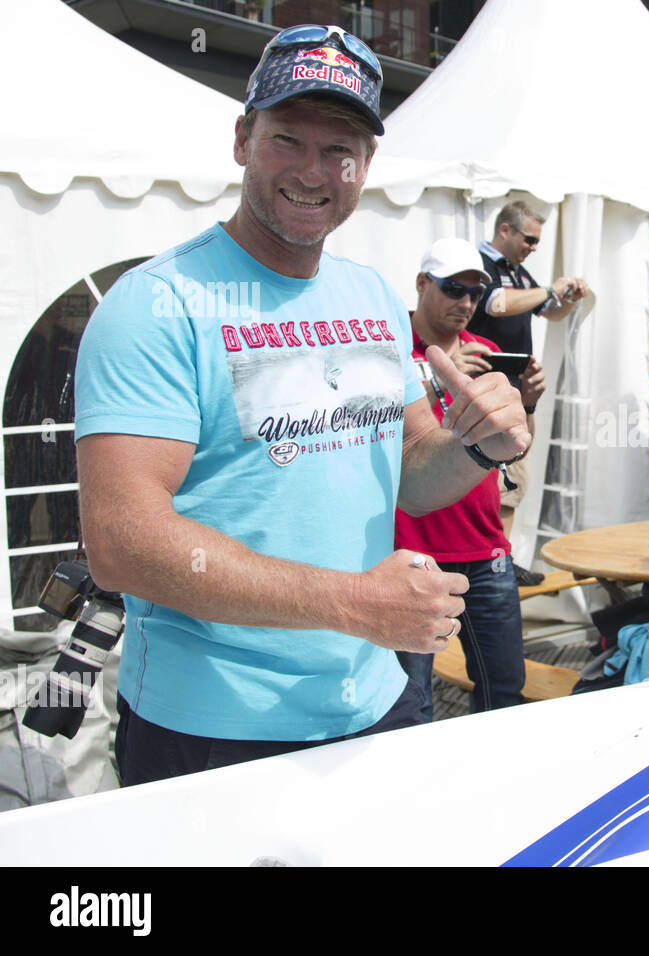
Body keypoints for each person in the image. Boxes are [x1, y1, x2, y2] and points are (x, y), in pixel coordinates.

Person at [74, 25, 530, 785]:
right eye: (288, 139)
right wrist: (353, 605)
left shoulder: (372, 297)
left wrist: (477, 442)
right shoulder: (158, 304)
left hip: (374, 697)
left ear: (367, 164)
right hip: (215, 726)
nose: (314, 171)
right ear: (242, 140)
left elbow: (412, 472)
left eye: (340, 148)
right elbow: (122, 544)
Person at [394, 238, 546, 718]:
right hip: (414, 552)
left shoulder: (489, 351)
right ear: (421, 284)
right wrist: (436, 382)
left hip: (485, 549)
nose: (465, 303)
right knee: (411, 704)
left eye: (475, 294)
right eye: (453, 288)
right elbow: (385, 443)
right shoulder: (390, 349)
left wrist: (527, 405)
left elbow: (518, 445)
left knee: (505, 692)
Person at [467, 200, 589, 562]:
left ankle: (503, 559)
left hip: (516, 392)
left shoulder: (518, 270)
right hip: (484, 390)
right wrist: (550, 290)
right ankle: (488, 560)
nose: (534, 248)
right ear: (505, 229)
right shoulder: (480, 264)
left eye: (538, 241)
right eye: (530, 239)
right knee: (481, 481)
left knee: (514, 478)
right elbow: (495, 304)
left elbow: (548, 312)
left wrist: (566, 298)